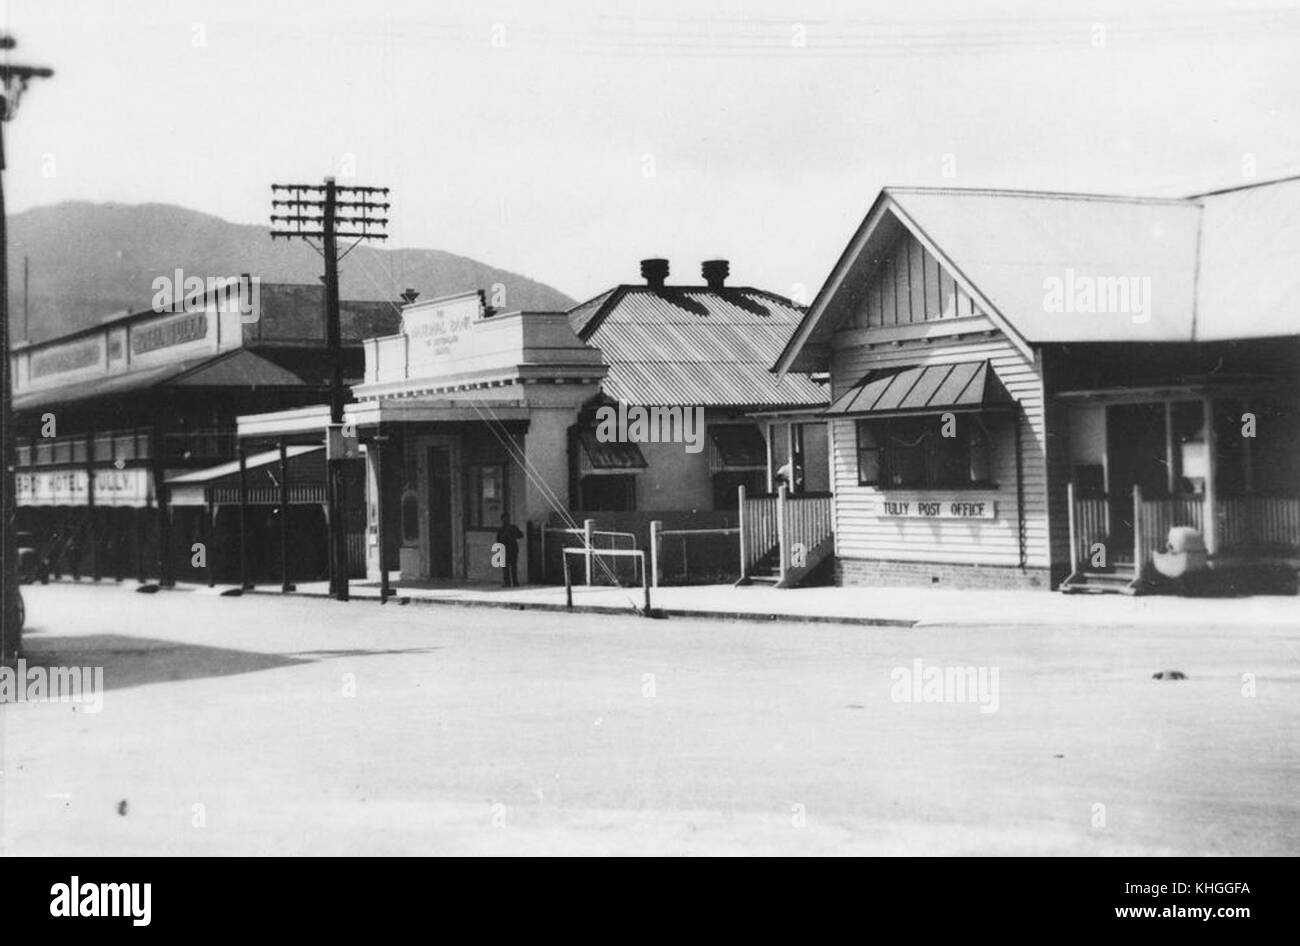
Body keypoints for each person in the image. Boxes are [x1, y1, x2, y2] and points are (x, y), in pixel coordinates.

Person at [494, 513, 524, 587]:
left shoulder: (508, 529)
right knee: (509, 567)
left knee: (510, 567)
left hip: (510, 549)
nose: (505, 521)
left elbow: (520, 535)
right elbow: (498, 540)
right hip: (508, 549)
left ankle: (511, 582)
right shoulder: (503, 529)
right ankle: (512, 582)